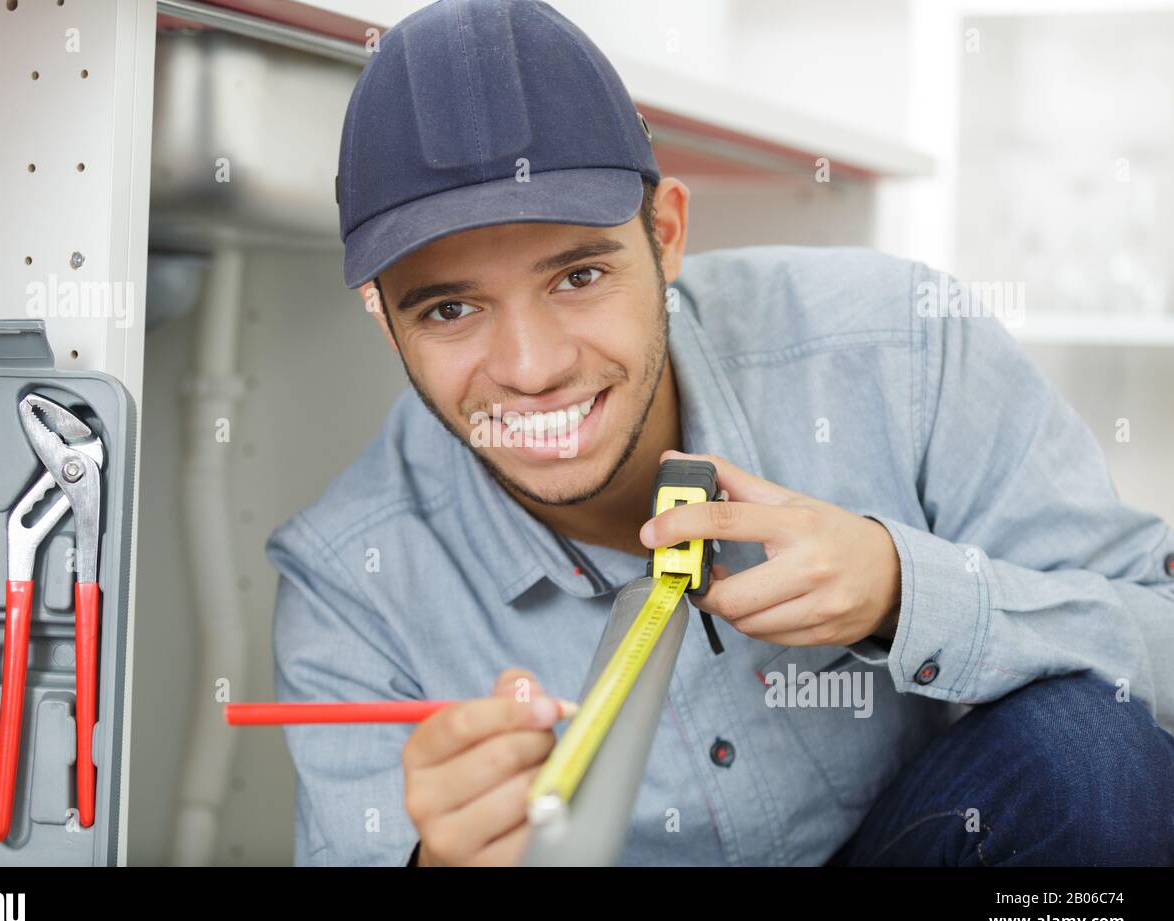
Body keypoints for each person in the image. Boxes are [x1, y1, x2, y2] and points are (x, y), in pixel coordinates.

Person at [267, 0, 1174, 866]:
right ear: (385, 322)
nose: (533, 367)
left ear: (666, 237)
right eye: (451, 308)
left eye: (578, 277)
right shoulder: (350, 585)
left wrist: (905, 591)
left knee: (1090, 752)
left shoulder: (901, 345)